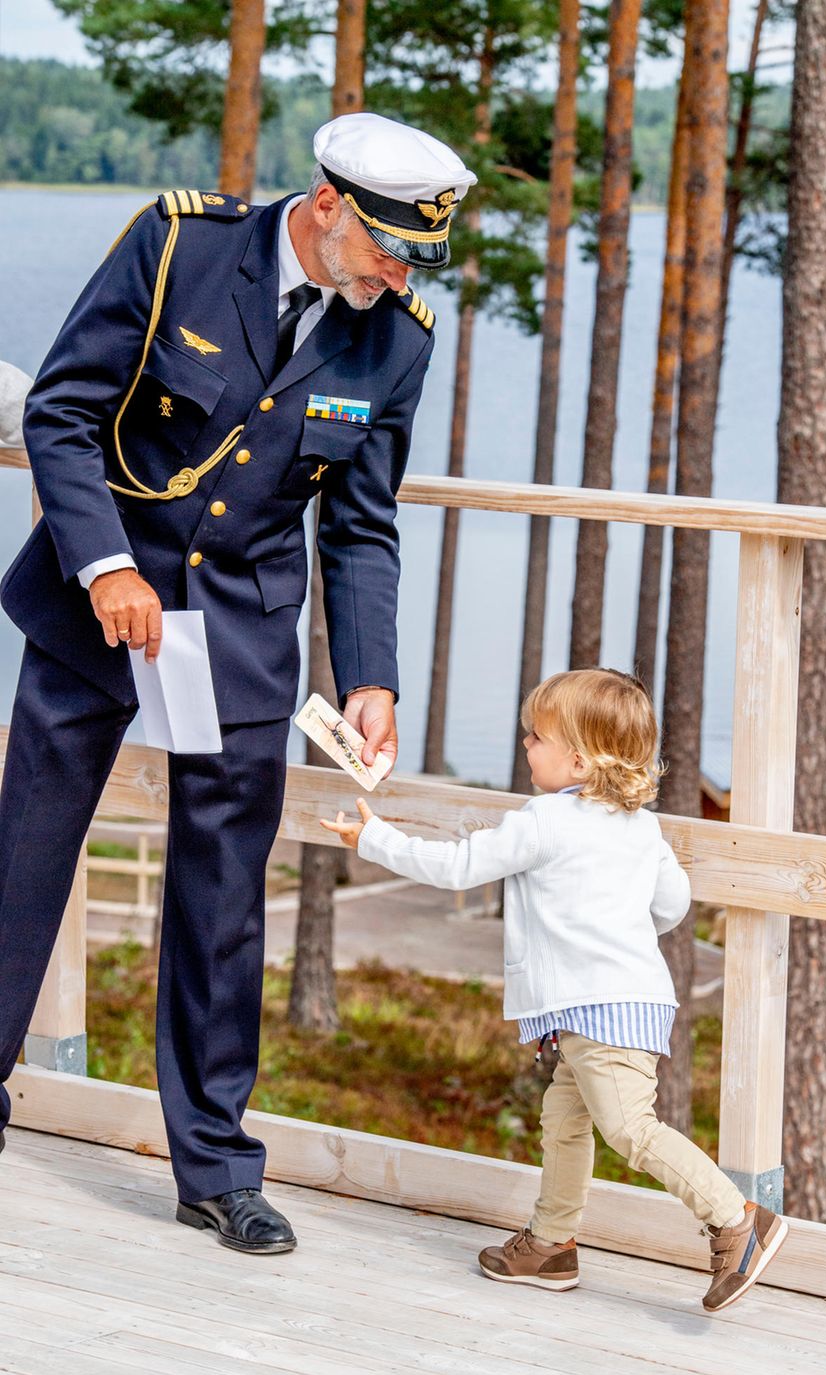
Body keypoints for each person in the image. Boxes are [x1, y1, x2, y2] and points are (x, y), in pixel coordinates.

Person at [0, 113, 476, 1255]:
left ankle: (215, 1167)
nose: (398, 274)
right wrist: (106, 563)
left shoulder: (397, 337)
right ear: (325, 207)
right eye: (384, 250)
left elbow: (362, 528)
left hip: (242, 638)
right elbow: (63, 411)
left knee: (221, 910)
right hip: (95, 608)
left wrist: (371, 680)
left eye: (414, 258)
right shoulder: (178, 248)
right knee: (25, 860)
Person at [322, 668, 789, 1312]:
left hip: (598, 1005)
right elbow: (673, 905)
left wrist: (373, 838)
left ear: (578, 756)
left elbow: (458, 866)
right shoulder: (640, 826)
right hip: (627, 998)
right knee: (566, 1121)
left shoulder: (542, 820)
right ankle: (550, 1245)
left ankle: (738, 1223)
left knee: (630, 1128)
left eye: (534, 736)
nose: (524, 747)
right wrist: (619, 937)